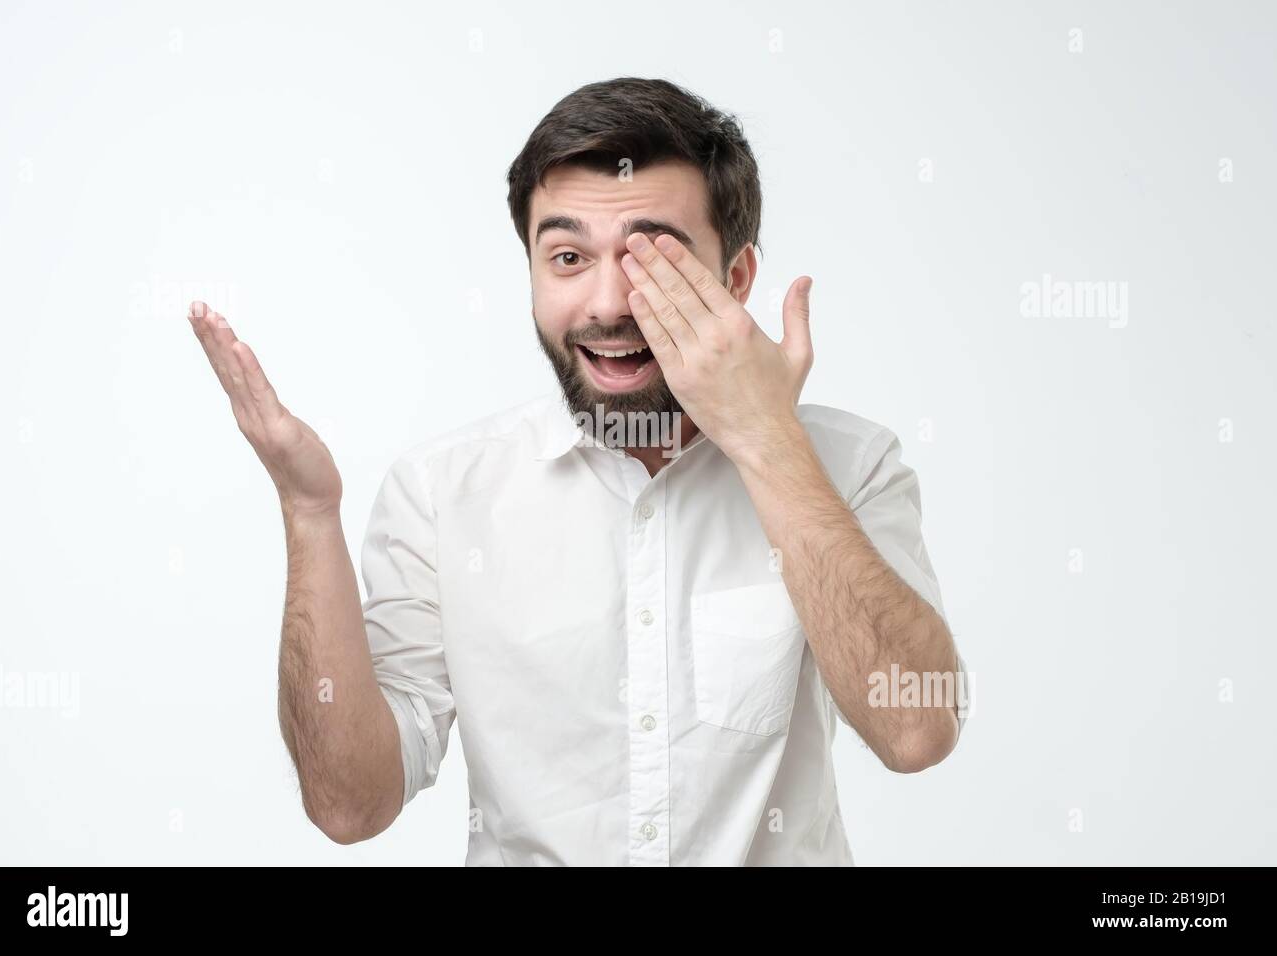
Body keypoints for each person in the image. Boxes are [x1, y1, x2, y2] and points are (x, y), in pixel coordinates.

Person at [185, 77, 969, 865]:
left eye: (650, 258)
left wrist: (767, 440)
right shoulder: (441, 493)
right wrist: (308, 511)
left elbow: (916, 732)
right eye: (566, 257)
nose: (606, 304)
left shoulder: (852, 465)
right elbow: (350, 806)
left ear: (734, 280)